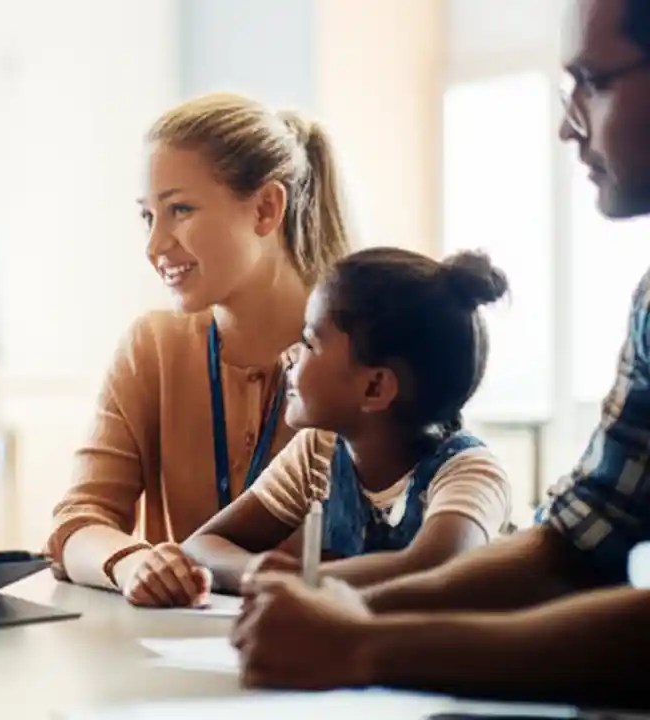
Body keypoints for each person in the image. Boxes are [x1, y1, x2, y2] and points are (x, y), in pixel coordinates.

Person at [231, 0, 650, 708]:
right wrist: (342, 609)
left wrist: (364, 642)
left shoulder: (460, 468)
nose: (567, 122)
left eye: (594, 82)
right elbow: (578, 543)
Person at [46, 92, 354, 607]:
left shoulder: (361, 358)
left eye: (180, 210)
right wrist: (132, 562)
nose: (154, 245)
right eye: (148, 216)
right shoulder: (152, 347)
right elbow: (77, 524)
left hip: (323, 655)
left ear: (265, 208)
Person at [167, 248, 512, 600]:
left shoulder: (468, 471)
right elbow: (202, 545)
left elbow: (437, 567)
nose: (289, 355)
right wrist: (256, 573)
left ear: (375, 387)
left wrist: (303, 581)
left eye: (308, 342)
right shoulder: (319, 451)